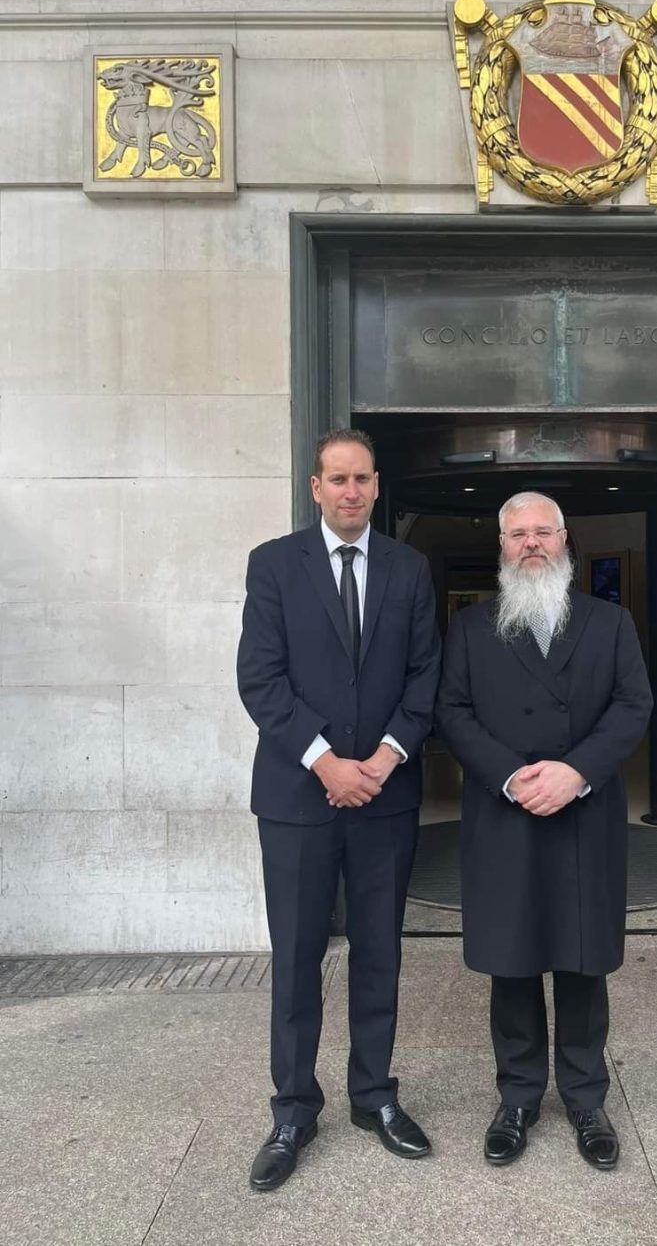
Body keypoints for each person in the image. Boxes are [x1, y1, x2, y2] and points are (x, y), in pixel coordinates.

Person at [237, 428, 441, 1191]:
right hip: (298, 797)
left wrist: (382, 760)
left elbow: (426, 677)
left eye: (362, 479)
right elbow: (260, 680)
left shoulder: (409, 569)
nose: (351, 491)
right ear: (315, 488)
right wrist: (326, 761)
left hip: (384, 797)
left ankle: (374, 1096)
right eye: (337, 479)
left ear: (377, 487)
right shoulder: (273, 566)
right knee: (295, 958)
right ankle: (293, 1108)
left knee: (379, 953)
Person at [436, 490, 652, 1170]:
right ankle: (519, 1098)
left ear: (566, 542)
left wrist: (575, 772)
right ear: (501, 548)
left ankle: (587, 1099)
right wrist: (513, 776)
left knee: (584, 962)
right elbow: (453, 711)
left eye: (544, 533)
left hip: (584, 811)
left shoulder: (610, 622)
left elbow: (632, 704)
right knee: (513, 960)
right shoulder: (471, 629)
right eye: (518, 534)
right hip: (506, 812)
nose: (531, 543)